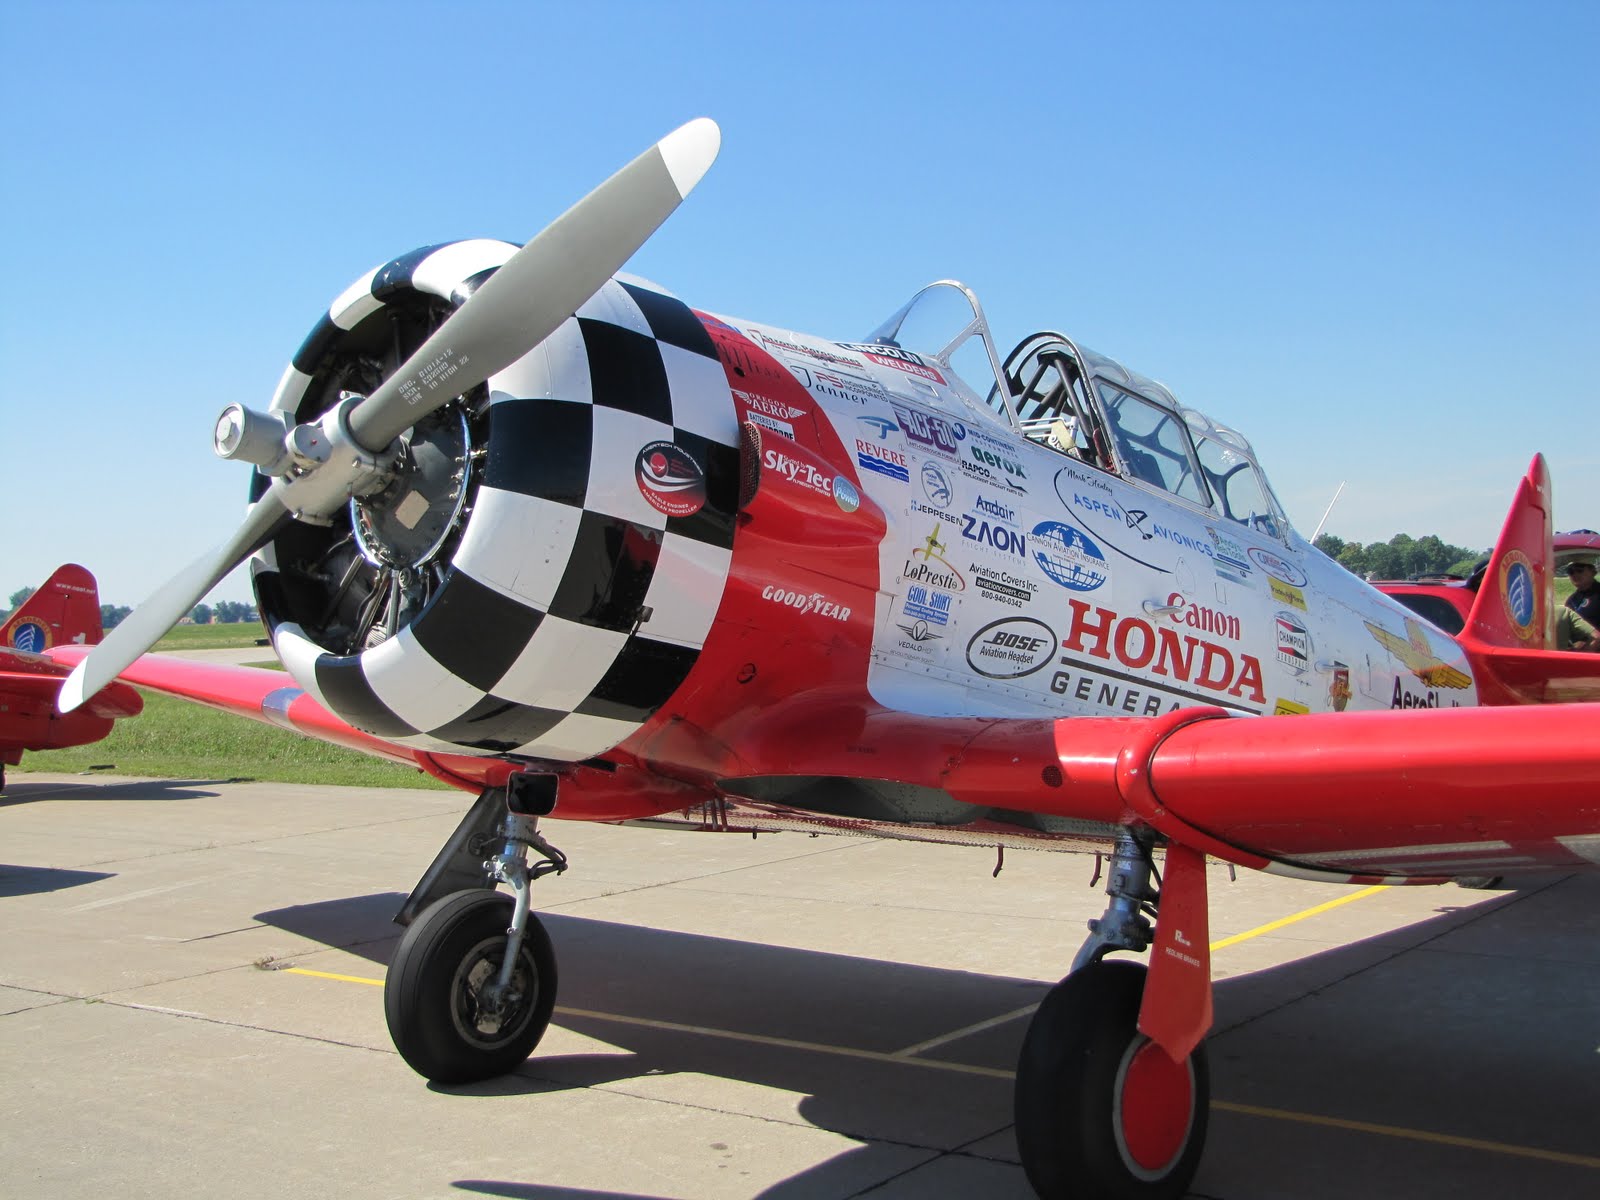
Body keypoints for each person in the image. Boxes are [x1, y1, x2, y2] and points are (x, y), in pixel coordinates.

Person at [1565, 560, 1600, 626]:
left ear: (1592, 571)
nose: (1575, 574)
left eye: (1579, 570)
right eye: (1570, 571)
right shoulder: (1571, 600)